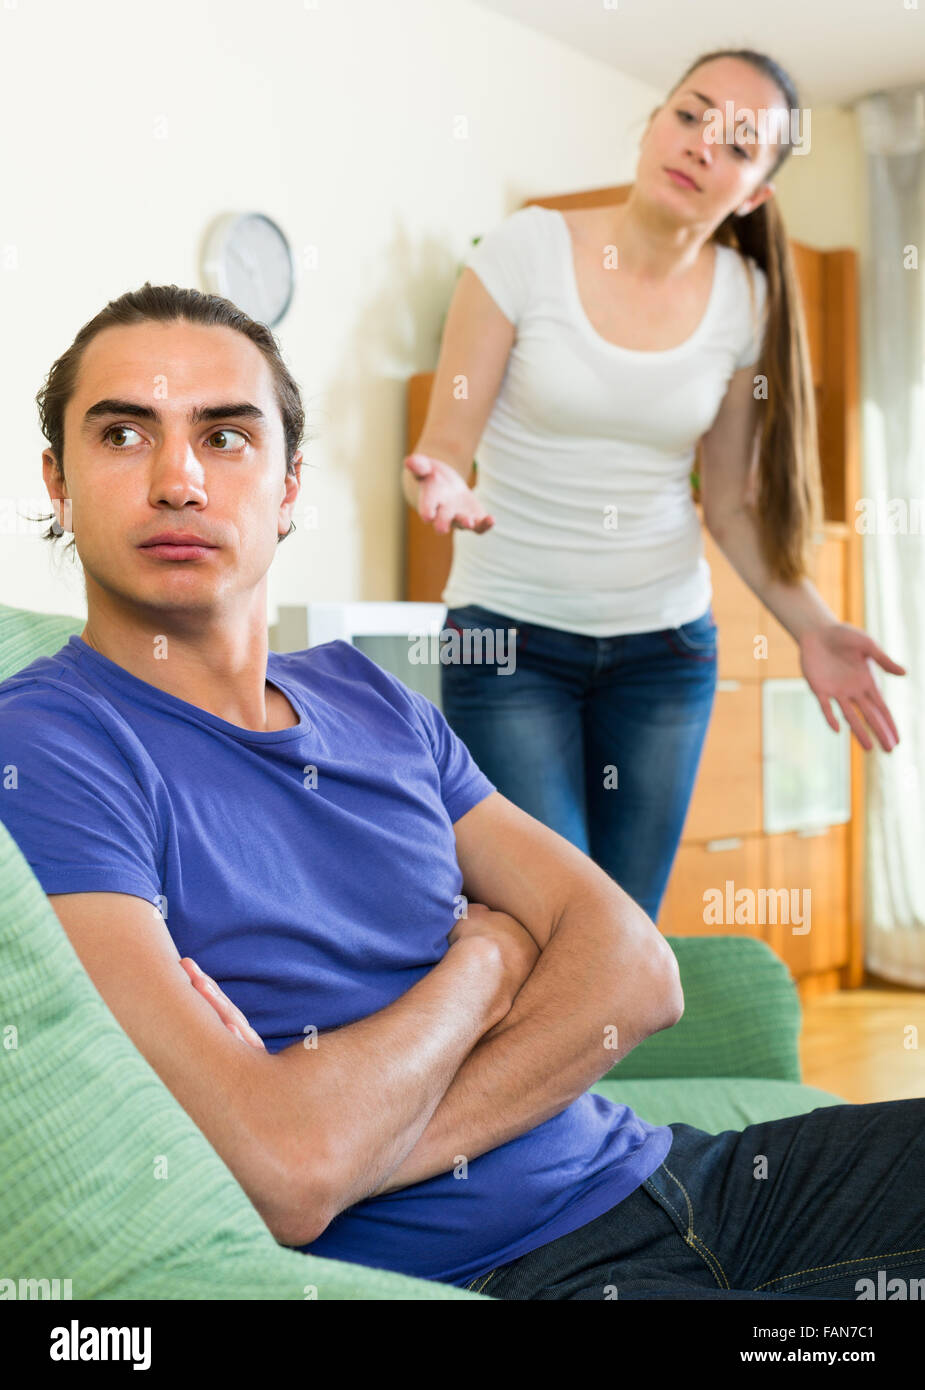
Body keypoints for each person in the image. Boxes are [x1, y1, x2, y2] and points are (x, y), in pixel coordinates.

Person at [1, 290, 921, 1303]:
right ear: (58, 479)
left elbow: (634, 972)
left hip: (679, 1179)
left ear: (290, 486)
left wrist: (353, 1140)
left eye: (225, 435)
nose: (178, 480)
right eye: (124, 433)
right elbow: (286, 1171)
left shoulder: (370, 697)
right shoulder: (49, 745)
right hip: (512, 1274)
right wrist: (483, 965)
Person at [403, 47, 905, 924]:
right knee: (546, 922)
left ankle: (610, 1070)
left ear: (754, 192)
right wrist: (440, 486)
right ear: (652, 126)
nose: (702, 144)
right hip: (506, 642)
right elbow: (444, 446)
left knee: (623, 937)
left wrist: (814, 628)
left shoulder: (745, 301)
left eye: (740, 142)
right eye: (689, 113)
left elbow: (734, 503)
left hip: (665, 656)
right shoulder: (528, 249)